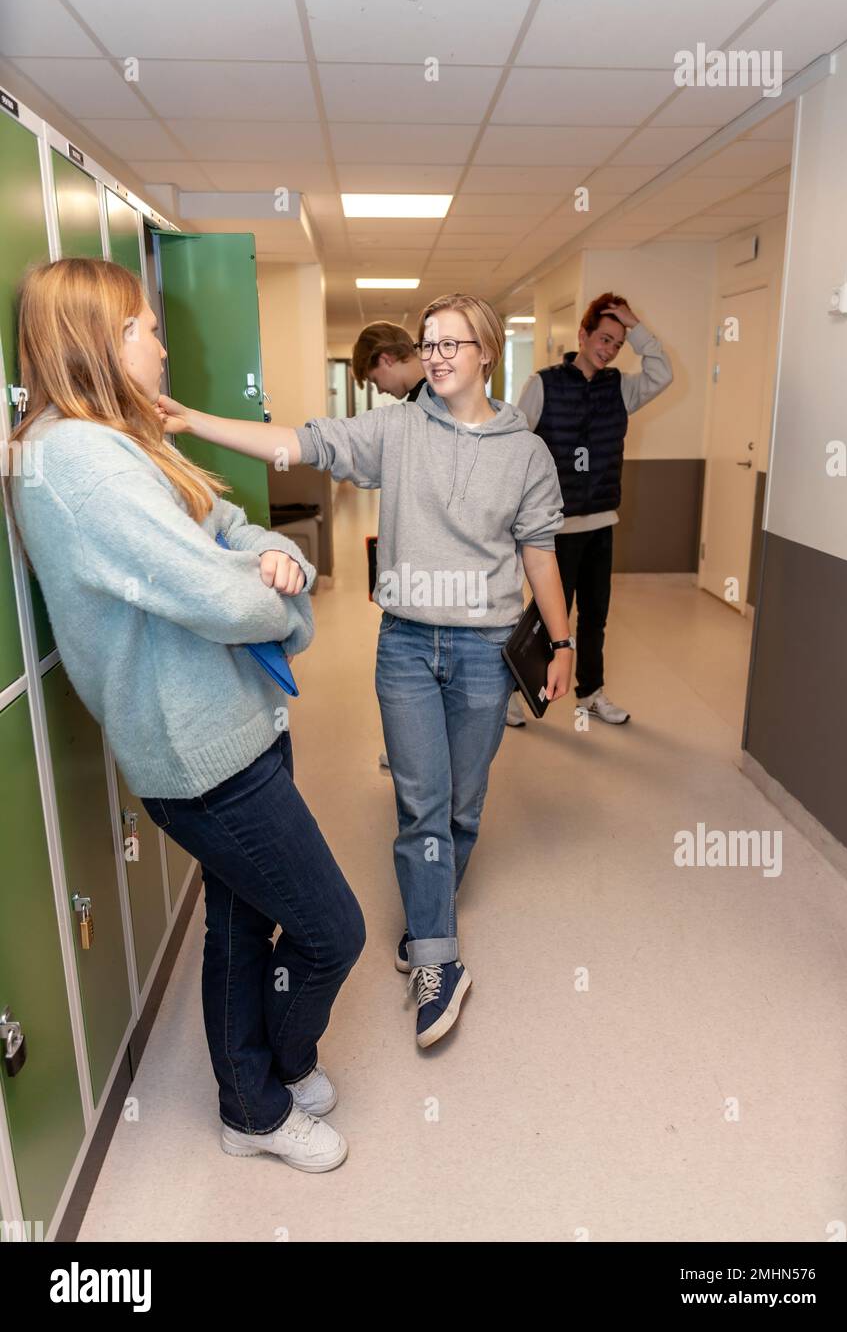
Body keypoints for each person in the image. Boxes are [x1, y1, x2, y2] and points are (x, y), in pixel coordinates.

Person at [8, 258, 364, 1173]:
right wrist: (286, 598)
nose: (162, 346)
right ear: (96, 339)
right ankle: (273, 1077)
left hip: (238, 727)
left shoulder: (117, 440)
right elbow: (216, 593)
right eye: (145, 329)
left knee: (242, 925)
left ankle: (251, 1102)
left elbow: (232, 527)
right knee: (333, 929)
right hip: (201, 756)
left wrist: (279, 554)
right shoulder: (75, 461)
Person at [155, 293, 573, 1049]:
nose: (439, 354)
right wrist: (193, 422)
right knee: (422, 803)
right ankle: (440, 958)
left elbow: (540, 550)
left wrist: (566, 645)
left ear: (485, 352)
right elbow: (300, 443)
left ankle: (427, 914)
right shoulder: (396, 428)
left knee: (464, 806)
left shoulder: (527, 453)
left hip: (484, 650)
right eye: (430, 343)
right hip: (408, 647)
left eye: (454, 343)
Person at [513, 293, 673, 727]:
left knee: (595, 616)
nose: (609, 349)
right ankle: (516, 694)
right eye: (604, 338)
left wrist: (635, 325)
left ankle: (591, 692)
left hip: (601, 523)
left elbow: (663, 372)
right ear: (582, 335)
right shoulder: (543, 384)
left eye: (618, 343)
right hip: (555, 529)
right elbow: (513, 446)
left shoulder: (620, 387)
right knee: (550, 618)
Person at [350, 322, 426, 772]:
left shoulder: (426, 404)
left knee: (410, 671)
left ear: (386, 360)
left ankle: (413, 755)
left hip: (426, 562)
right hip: (412, 550)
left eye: (377, 381)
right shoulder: (417, 402)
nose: (381, 391)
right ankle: (411, 752)